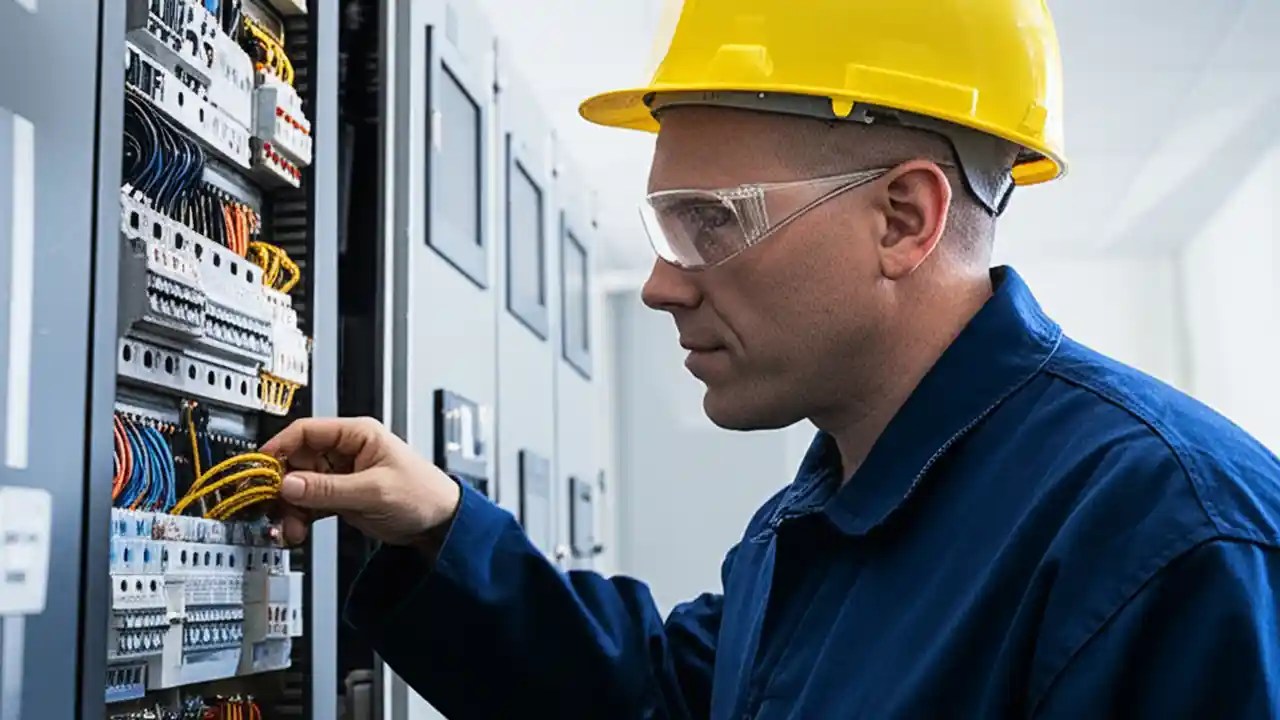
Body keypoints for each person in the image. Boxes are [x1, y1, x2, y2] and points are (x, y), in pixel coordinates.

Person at [264, 0, 1280, 717]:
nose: (662, 284)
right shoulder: (819, 515)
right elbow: (659, 695)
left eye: (707, 221)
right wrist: (440, 530)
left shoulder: (1164, 534)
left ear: (902, 218)